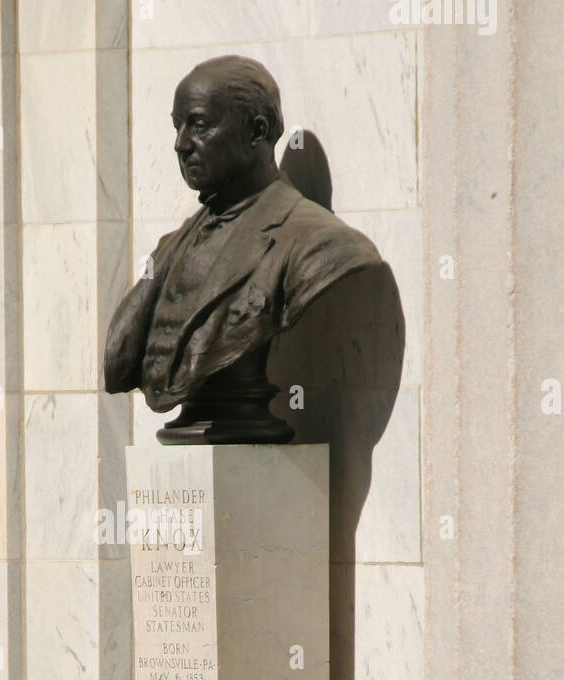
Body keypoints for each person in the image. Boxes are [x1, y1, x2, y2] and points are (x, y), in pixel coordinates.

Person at [103, 54, 381, 442]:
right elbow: (119, 362)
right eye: (177, 127)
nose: (181, 144)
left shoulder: (317, 243)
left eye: (199, 125)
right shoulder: (173, 246)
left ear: (257, 131)